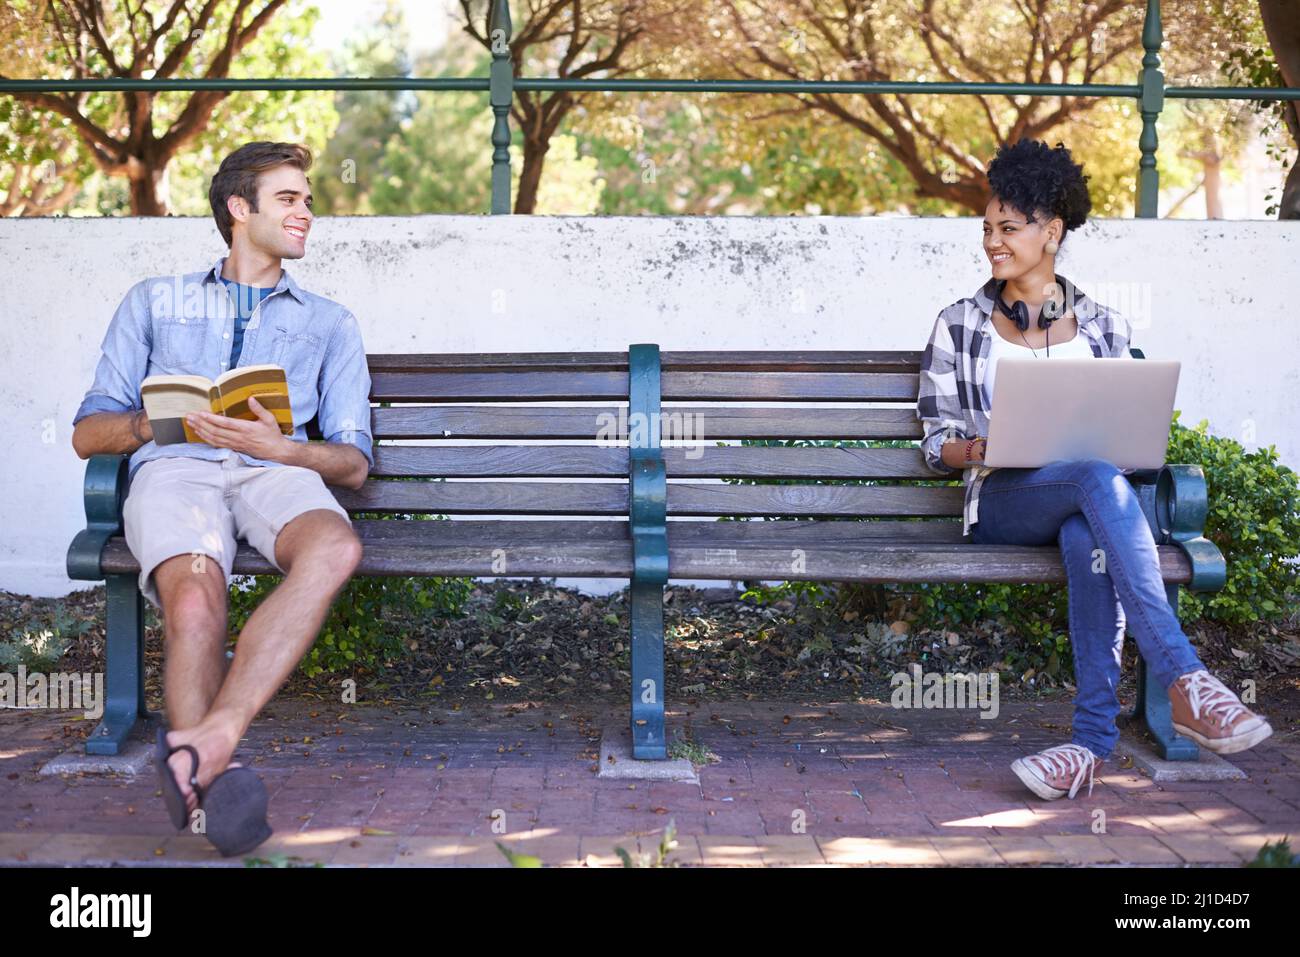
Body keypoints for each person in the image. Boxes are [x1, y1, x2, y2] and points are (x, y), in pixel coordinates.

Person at [915, 138, 1271, 801]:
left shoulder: (1105, 324)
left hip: (1085, 502)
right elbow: (935, 442)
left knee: (1090, 527)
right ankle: (1185, 680)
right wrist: (977, 447)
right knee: (1094, 481)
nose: (992, 241)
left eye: (1009, 228)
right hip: (1002, 501)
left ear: (1051, 231)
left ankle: (1088, 744)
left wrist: (1130, 445)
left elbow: (1127, 436)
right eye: (987, 228)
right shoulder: (959, 323)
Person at [71, 141, 373, 854]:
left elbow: (354, 463)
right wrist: (154, 422)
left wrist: (286, 448)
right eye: (289, 199)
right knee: (197, 597)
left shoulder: (331, 323)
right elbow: (89, 433)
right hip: (176, 467)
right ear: (240, 209)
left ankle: (208, 739)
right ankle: (211, 772)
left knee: (336, 545)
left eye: (306, 198)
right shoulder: (151, 301)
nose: (307, 212)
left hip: (274, 468)